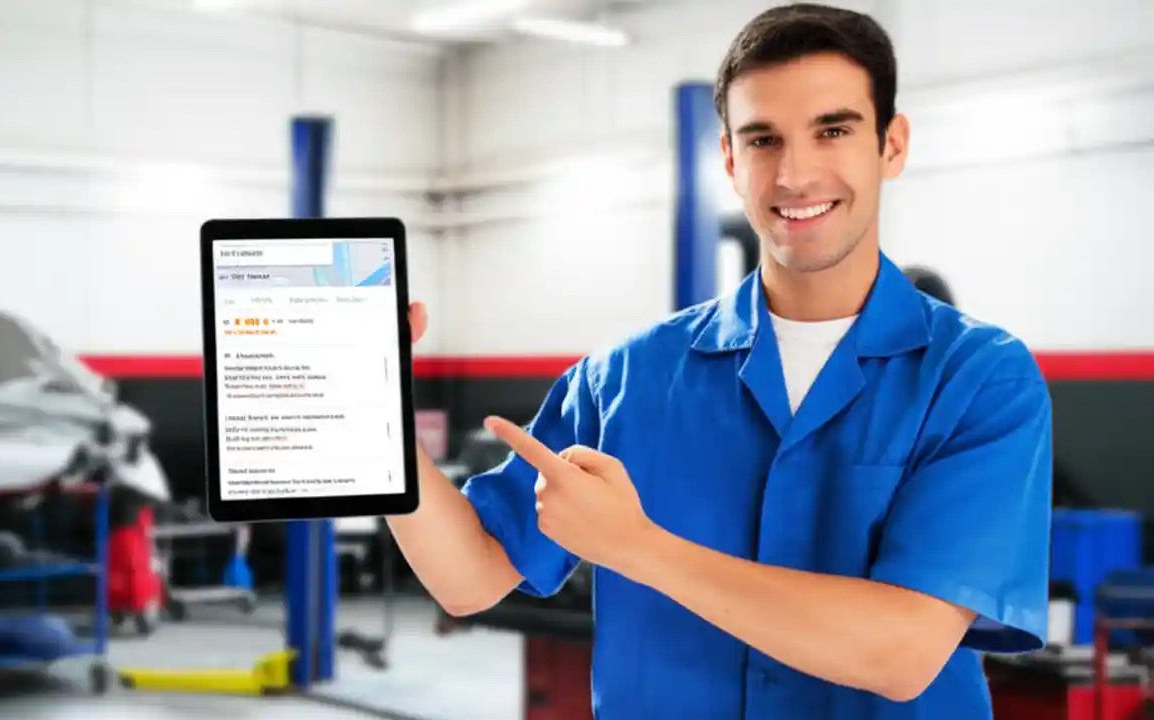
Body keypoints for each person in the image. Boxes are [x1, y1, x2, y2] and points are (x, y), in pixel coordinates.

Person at [387, 3, 1052, 718]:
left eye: (833, 130)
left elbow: (900, 653)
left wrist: (637, 548)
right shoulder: (624, 381)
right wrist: (375, 407)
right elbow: (472, 576)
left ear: (892, 145)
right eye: (764, 140)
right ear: (731, 161)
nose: (795, 174)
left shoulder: (979, 379)